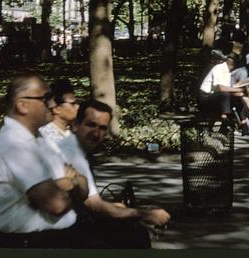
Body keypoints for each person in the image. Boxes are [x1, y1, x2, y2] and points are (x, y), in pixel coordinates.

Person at [0, 74, 89, 248]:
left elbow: (83, 188)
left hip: (56, 240)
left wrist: (72, 182)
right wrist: (68, 185)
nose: (53, 105)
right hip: (24, 244)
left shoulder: (41, 138)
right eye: (45, 98)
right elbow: (57, 204)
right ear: (22, 105)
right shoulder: (13, 145)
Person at [57, 100, 170, 248]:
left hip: (74, 223)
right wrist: (146, 214)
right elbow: (95, 206)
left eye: (102, 128)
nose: (96, 133)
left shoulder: (77, 148)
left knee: (133, 230)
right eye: (91, 125)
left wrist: (125, 212)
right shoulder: (72, 153)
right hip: (61, 233)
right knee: (135, 236)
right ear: (76, 124)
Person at [39, 78, 79, 143]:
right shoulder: (43, 137)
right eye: (73, 104)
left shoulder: (70, 134)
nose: (77, 107)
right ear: (56, 109)